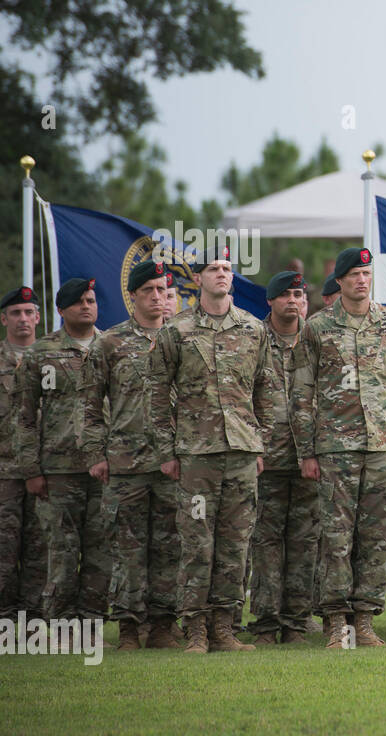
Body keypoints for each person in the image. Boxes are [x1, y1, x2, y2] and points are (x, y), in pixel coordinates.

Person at [148, 248, 274, 653]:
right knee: (197, 542)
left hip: (240, 454)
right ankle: (196, 629)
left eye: (226, 269)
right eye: (213, 269)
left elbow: (268, 390)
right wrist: (168, 450)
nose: (221, 274)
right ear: (198, 279)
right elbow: (155, 393)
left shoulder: (254, 330)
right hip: (197, 456)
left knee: (236, 544)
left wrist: (260, 442)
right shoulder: (177, 331)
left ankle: (224, 626)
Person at [292, 247, 386, 649]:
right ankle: (336, 623)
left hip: (382, 447)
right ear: (340, 281)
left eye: (367, 273)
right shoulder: (317, 327)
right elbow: (302, 393)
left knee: (377, 537)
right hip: (334, 446)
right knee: (336, 536)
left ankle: (364, 620)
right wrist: (307, 452)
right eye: (355, 274)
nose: (362, 279)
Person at [83, 261, 181, 649]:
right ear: (133, 297)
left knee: (170, 547)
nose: (157, 297)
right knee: (126, 549)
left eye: (162, 289)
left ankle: (161, 627)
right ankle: (127, 628)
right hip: (125, 462)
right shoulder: (109, 343)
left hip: (172, 461)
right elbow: (89, 404)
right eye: (149, 291)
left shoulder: (181, 338)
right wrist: (95, 453)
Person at [15, 277, 111, 641]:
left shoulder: (111, 346)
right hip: (58, 467)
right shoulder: (42, 352)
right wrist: (31, 469)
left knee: (101, 550)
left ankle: (92, 624)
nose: (87, 306)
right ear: (60, 310)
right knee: (62, 549)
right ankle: (61, 624)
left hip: (104, 467)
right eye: (79, 302)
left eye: (91, 300)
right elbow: (24, 416)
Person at [246, 271, 318, 645]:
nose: (293, 300)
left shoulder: (317, 336)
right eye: (286, 294)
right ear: (270, 301)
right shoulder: (253, 338)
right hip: (268, 457)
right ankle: (266, 621)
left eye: (298, 293)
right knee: (266, 541)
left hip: (311, 459)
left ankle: (296, 622)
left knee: (305, 542)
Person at [0, 286, 48, 622]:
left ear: (38, 317)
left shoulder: (51, 360)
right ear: (4, 319)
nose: (23, 319)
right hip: (3, 471)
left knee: (41, 546)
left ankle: (34, 618)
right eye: (16, 312)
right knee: (3, 546)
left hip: (44, 470)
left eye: (29, 312)